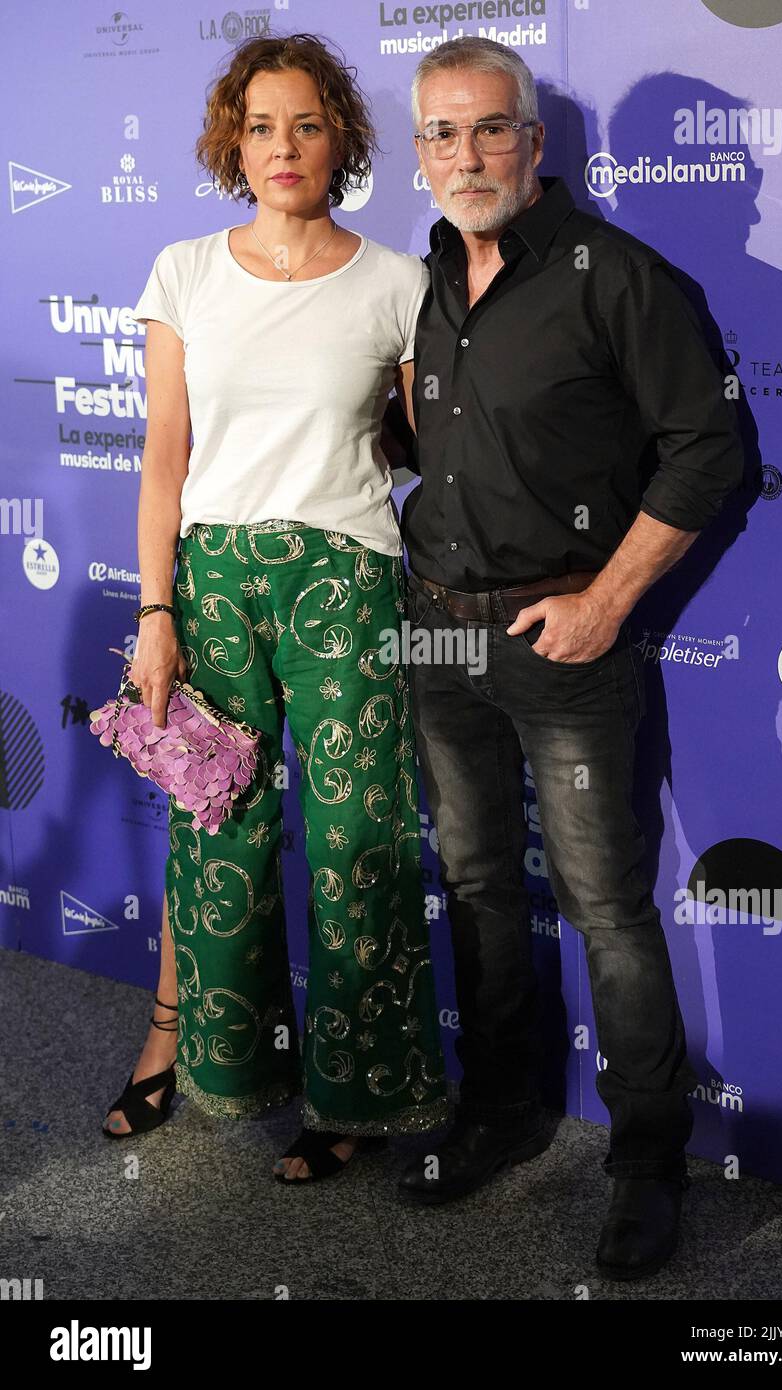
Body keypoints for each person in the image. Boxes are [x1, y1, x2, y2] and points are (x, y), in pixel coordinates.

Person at [395, 37, 744, 1277]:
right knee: (480, 883)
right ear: (418, 148)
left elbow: (710, 448)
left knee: (604, 908)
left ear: (534, 144)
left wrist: (603, 600)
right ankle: (497, 1110)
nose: (465, 155)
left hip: (564, 637)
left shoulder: (617, 278)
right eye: (440, 133)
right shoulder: (426, 278)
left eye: (490, 129)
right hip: (433, 626)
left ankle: (647, 1161)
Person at [102, 32, 448, 1181]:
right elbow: (162, 460)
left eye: (305, 123)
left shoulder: (398, 282)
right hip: (210, 584)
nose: (283, 147)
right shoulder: (183, 271)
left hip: (344, 582)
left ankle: (358, 1096)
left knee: (356, 844)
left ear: (339, 138)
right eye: (260, 126)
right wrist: (155, 612)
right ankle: (221, 1064)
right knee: (220, 835)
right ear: (231, 143)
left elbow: (422, 450)